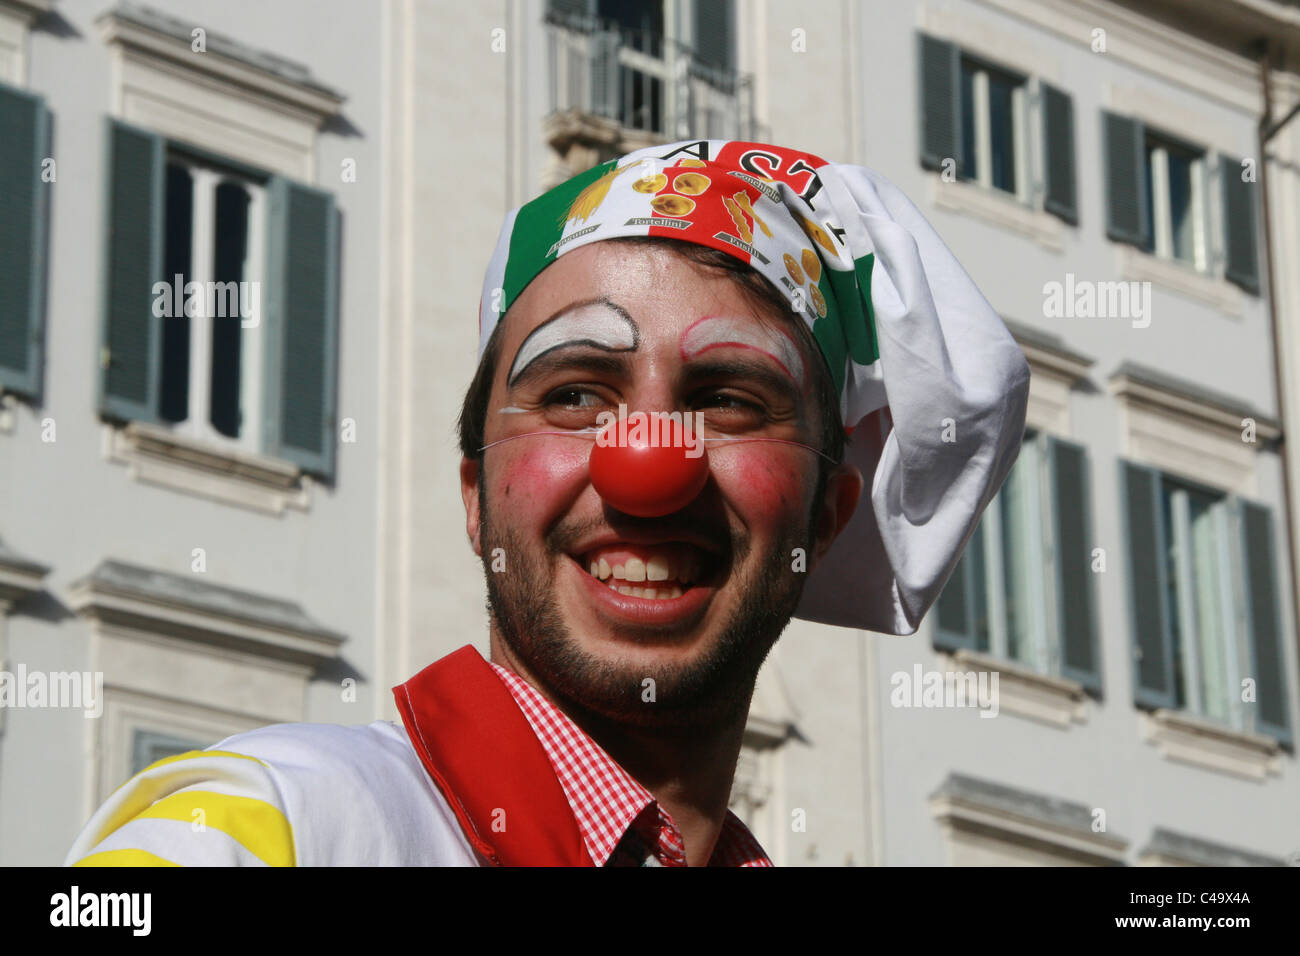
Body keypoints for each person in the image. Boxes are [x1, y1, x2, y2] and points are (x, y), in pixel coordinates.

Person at [64, 139, 1029, 867]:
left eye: (729, 400)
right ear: (478, 492)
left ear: (826, 515)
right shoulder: (267, 828)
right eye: (574, 393)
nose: (647, 466)